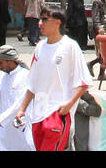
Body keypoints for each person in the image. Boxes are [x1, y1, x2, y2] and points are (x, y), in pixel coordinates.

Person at [17, 9, 90, 151]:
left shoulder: (70, 46)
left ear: (58, 23)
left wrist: (69, 105)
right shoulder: (39, 47)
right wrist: (22, 109)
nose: (40, 23)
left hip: (57, 113)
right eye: (40, 19)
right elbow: (32, 83)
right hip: (38, 114)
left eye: (44, 20)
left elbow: (84, 82)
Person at [0, 45, 33, 151]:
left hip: (18, 126)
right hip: (2, 128)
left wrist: (0, 119)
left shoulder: (25, 75)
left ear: (10, 61)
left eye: (0, 63)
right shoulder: (3, 76)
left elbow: (20, 103)